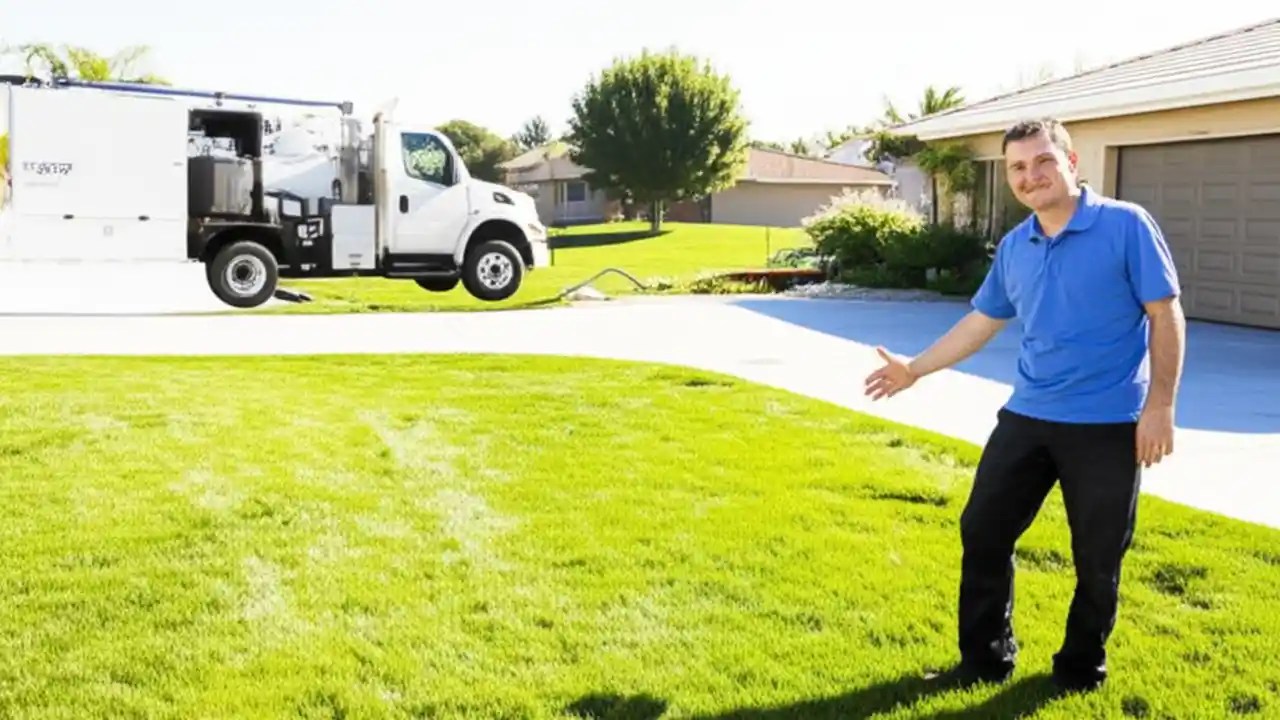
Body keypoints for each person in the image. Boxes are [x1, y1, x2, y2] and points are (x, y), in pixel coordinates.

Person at [863, 117, 1185, 693]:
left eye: (1043, 162)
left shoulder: (1126, 226)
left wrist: (1160, 405)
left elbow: (1166, 314)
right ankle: (985, 659)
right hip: (1029, 415)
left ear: (1071, 163)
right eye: (1017, 167)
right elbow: (982, 320)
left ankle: (1080, 667)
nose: (1031, 176)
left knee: (1098, 554)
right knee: (983, 529)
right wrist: (914, 369)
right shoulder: (1016, 246)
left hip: (1108, 423)